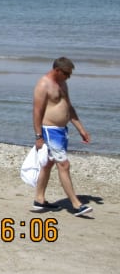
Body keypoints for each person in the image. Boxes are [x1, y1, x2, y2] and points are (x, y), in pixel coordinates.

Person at [32, 57, 93, 217]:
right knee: (64, 165)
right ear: (57, 70)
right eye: (66, 73)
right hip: (50, 131)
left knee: (48, 165)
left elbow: (69, 107)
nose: (69, 77)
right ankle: (76, 204)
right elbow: (37, 112)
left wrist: (81, 129)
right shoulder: (43, 85)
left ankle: (39, 200)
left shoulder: (62, 83)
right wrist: (38, 136)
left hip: (62, 130)